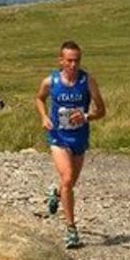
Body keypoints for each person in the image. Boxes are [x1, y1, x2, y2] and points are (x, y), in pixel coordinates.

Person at [35, 41, 106, 248]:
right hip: (58, 137)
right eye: (69, 61)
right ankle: (71, 229)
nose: (73, 65)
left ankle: (56, 194)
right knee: (67, 178)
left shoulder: (88, 81)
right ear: (61, 61)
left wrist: (86, 116)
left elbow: (102, 111)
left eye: (77, 60)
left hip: (79, 138)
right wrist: (44, 117)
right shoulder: (51, 81)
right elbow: (39, 99)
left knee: (70, 183)